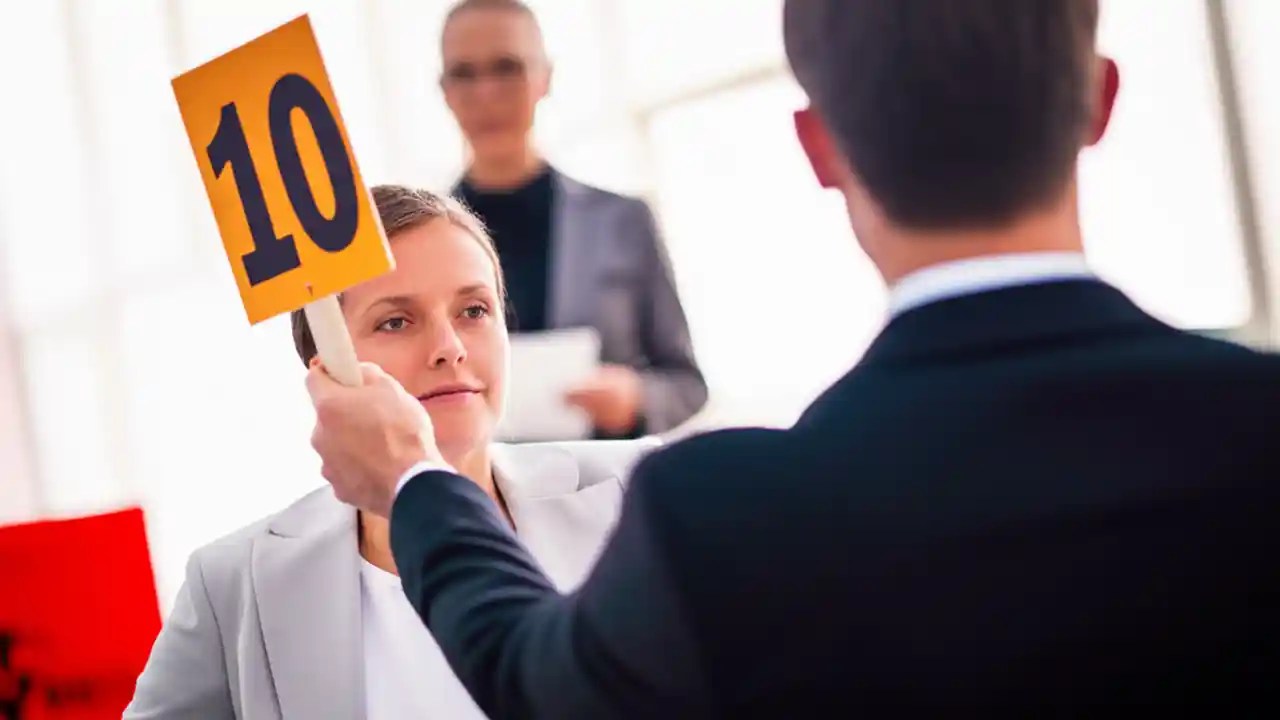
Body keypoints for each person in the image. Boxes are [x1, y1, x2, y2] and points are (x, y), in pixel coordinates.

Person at [307, 1, 1280, 715]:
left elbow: (535, 681)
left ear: (817, 149)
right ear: (1098, 102)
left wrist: (415, 482)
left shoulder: (720, 518)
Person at [124, 186, 659, 719]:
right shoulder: (234, 585)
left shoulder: (637, 496)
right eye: (396, 321)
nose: (450, 346)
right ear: (325, 370)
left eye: (474, 310)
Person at [440, 0, 706, 439]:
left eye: (506, 68)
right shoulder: (417, 246)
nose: (485, 93)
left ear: (544, 77)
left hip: (604, 489)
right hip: (480, 495)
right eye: (464, 74)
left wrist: (637, 397)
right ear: (444, 90)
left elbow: (687, 384)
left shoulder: (624, 221)